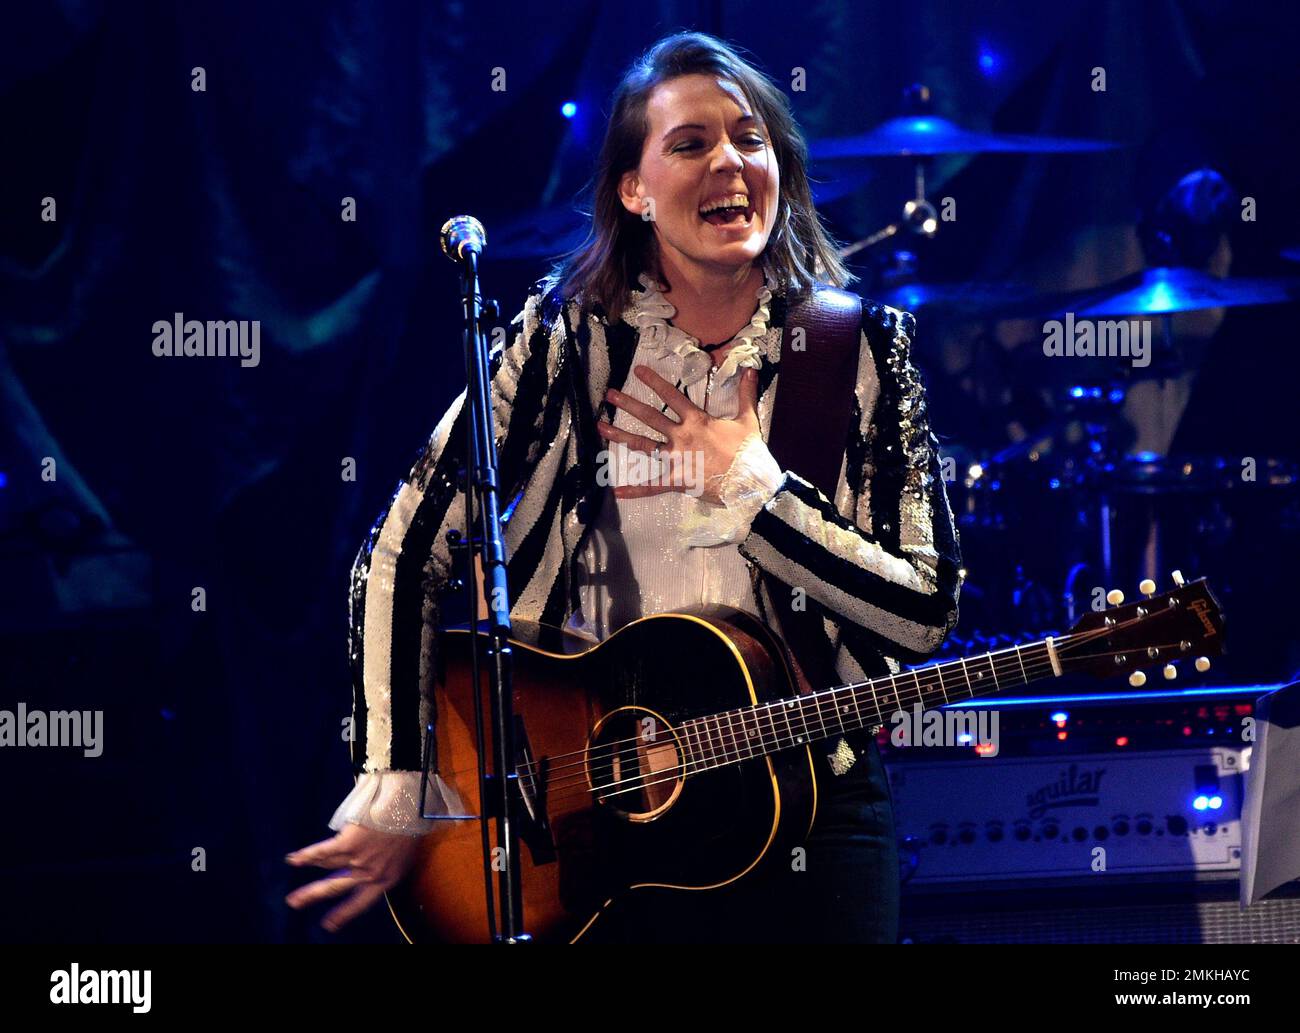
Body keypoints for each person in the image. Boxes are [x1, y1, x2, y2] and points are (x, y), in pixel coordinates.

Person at [286, 30, 962, 943]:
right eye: (690, 144)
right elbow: (406, 545)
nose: (729, 159)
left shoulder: (856, 350)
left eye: (750, 138)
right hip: (595, 821)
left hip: (808, 805)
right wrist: (398, 775)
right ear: (633, 190)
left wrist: (756, 491)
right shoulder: (566, 345)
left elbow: (922, 608)